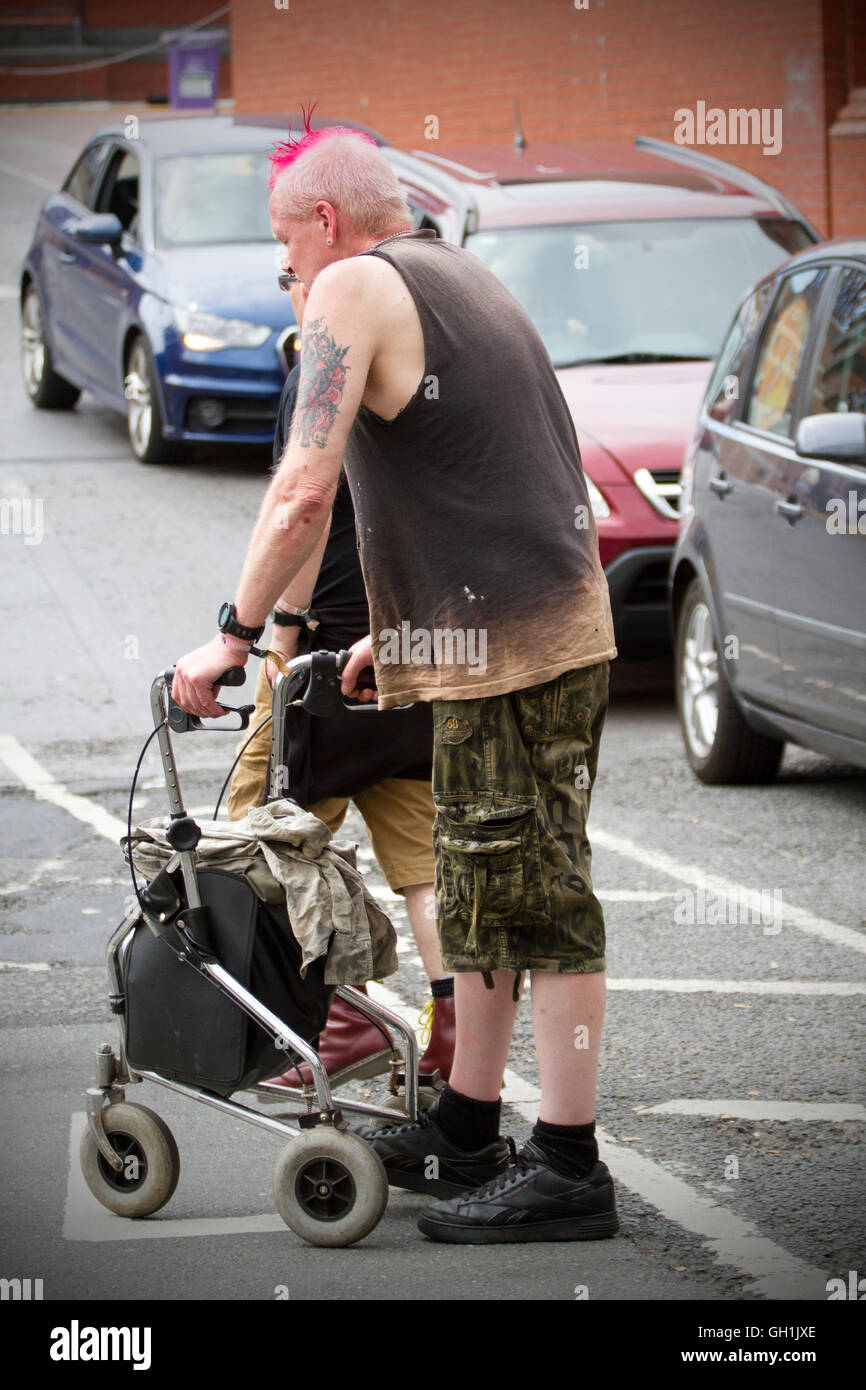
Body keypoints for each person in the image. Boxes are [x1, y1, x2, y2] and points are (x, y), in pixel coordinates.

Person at [172, 118, 619, 1245]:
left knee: (542, 898)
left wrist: (230, 637)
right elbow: (481, 474)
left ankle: (568, 1166)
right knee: (475, 893)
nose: (286, 277)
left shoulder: (354, 287)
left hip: (522, 650)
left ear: (323, 222)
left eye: (285, 250)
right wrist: (405, 631)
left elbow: (301, 495)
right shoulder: (453, 274)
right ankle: (465, 1125)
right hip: (498, 642)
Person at [228, 279, 454, 1092]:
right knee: (427, 866)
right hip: (409, 649)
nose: (290, 285)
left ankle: (345, 1012)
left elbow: (308, 505)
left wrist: (273, 633)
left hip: (326, 658)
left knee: (258, 844)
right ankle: (450, 1045)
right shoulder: (434, 369)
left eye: (289, 269)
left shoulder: (327, 360)